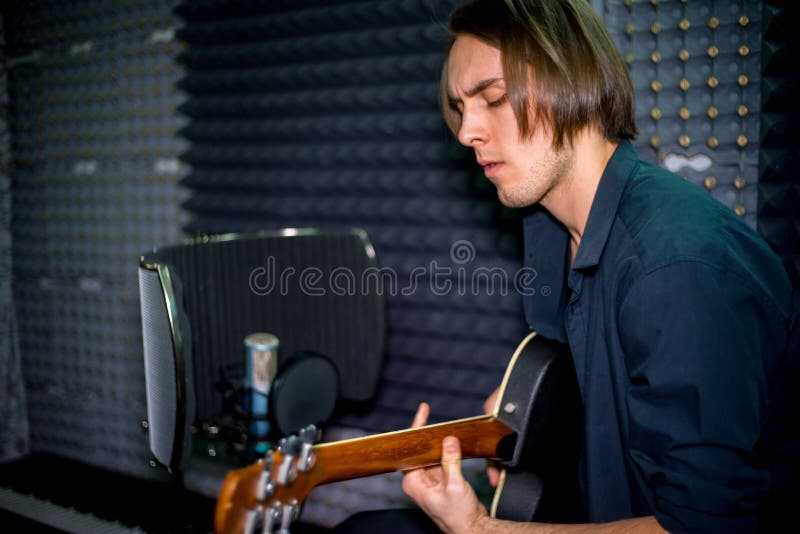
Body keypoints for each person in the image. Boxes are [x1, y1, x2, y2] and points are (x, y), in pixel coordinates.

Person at [395, 0, 795, 533]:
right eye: (459, 107)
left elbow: (700, 526)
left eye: (493, 98)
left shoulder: (676, 267)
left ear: (571, 79)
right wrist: (527, 420)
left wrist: (479, 530)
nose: (468, 130)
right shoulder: (553, 232)